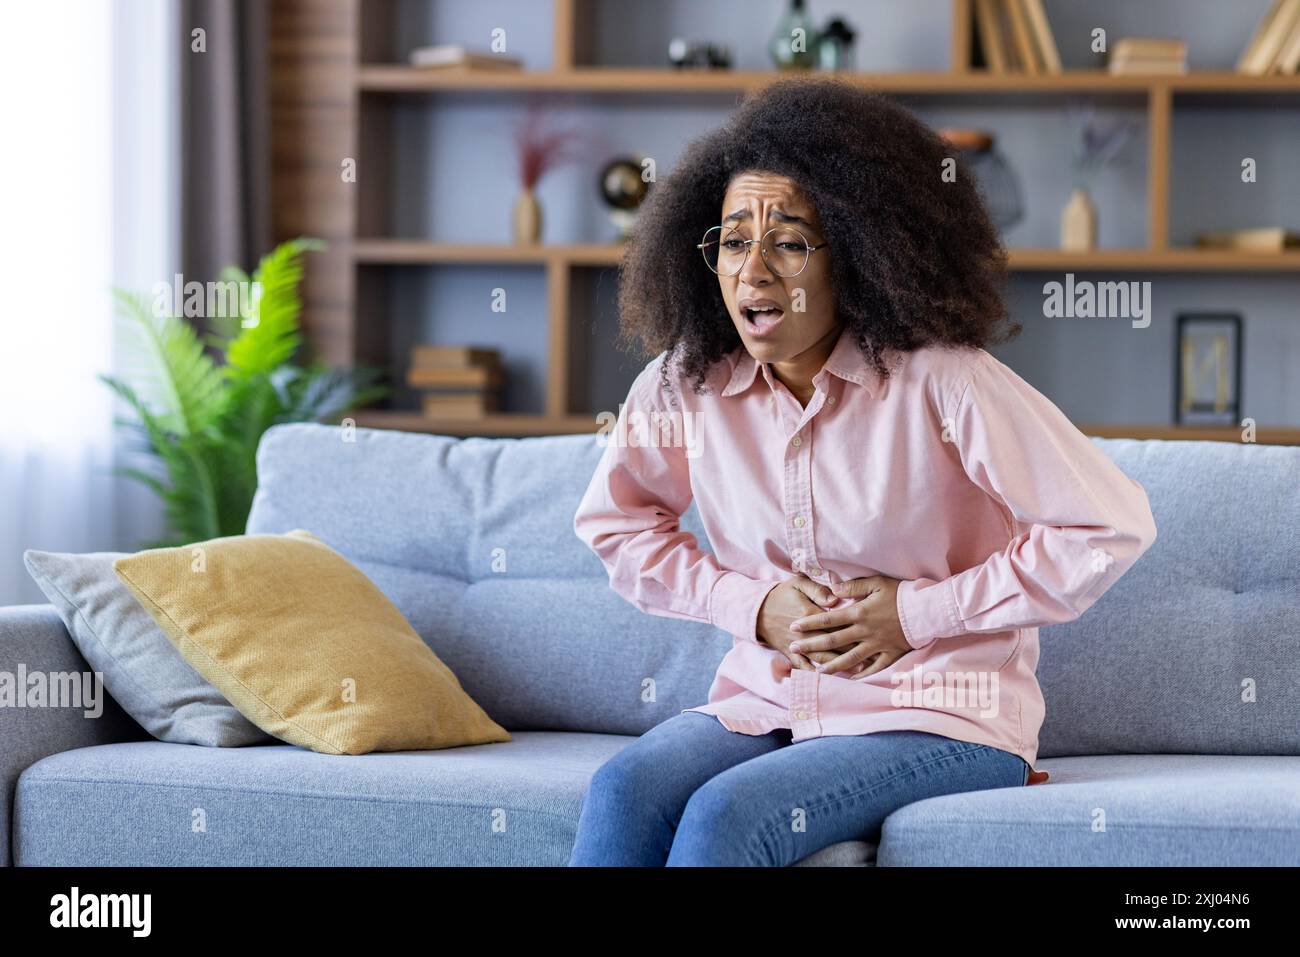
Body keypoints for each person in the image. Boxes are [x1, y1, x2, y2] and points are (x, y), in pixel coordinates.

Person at [568, 76, 1158, 867]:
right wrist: (750, 604)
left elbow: (1108, 527)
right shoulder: (686, 383)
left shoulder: (946, 380)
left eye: (789, 242)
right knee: (620, 790)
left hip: (939, 714)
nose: (754, 271)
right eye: (734, 240)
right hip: (768, 697)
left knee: (725, 815)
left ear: (856, 252)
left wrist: (917, 614)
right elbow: (618, 523)